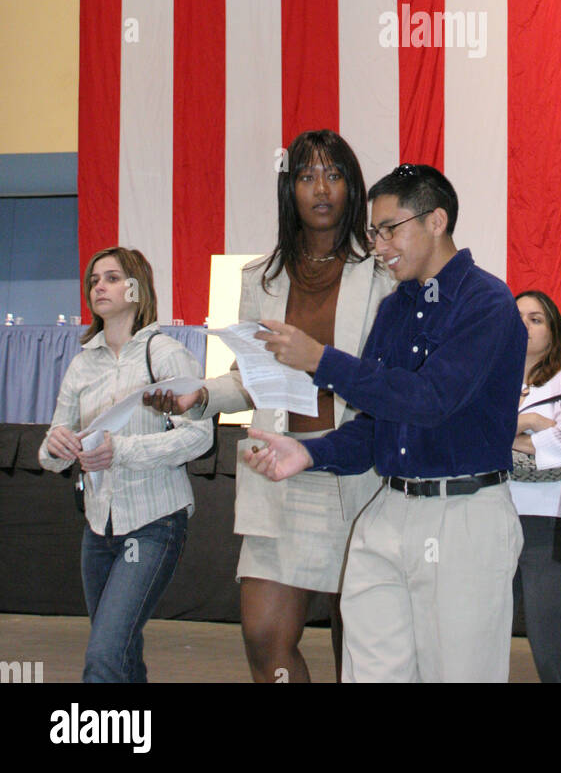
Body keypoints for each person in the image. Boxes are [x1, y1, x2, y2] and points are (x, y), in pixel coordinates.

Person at [245, 162, 526, 683]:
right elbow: (374, 425)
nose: (377, 244)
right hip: (387, 507)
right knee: (370, 673)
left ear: (436, 221)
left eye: (389, 228)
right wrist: (309, 453)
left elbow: (429, 399)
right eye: (373, 231)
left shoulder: (487, 302)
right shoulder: (396, 309)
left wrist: (320, 359)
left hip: (464, 516)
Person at [147, 129, 390, 683]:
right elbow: (249, 378)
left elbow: (390, 379)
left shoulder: (380, 273)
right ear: (290, 189)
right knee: (263, 637)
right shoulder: (261, 277)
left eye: (333, 175)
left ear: (352, 187)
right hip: (276, 469)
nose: (321, 188)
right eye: (306, 176)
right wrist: (201, 396)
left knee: (360, 644)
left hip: (355, 470)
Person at [38, 246, 212, 683]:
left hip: (154, 523)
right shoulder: (81, 363)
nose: (100, 286)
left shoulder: (165, 353)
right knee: (122, 654)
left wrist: (125, 450)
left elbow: (200, 435)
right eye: (95, 280)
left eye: (112, 278)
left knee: (104, 657)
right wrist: (57, 445)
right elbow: (51, 454)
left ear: (137, 288)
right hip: (98, 529)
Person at [510, 290, 561, 683]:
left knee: (549, 636)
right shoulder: (486, 376)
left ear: (554, 332)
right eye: (517, 317)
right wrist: (533, 426)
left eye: (536, 319)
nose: (524, 326)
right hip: (491, 516)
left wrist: (510, 434)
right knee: (474, 634)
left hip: (548, 521)